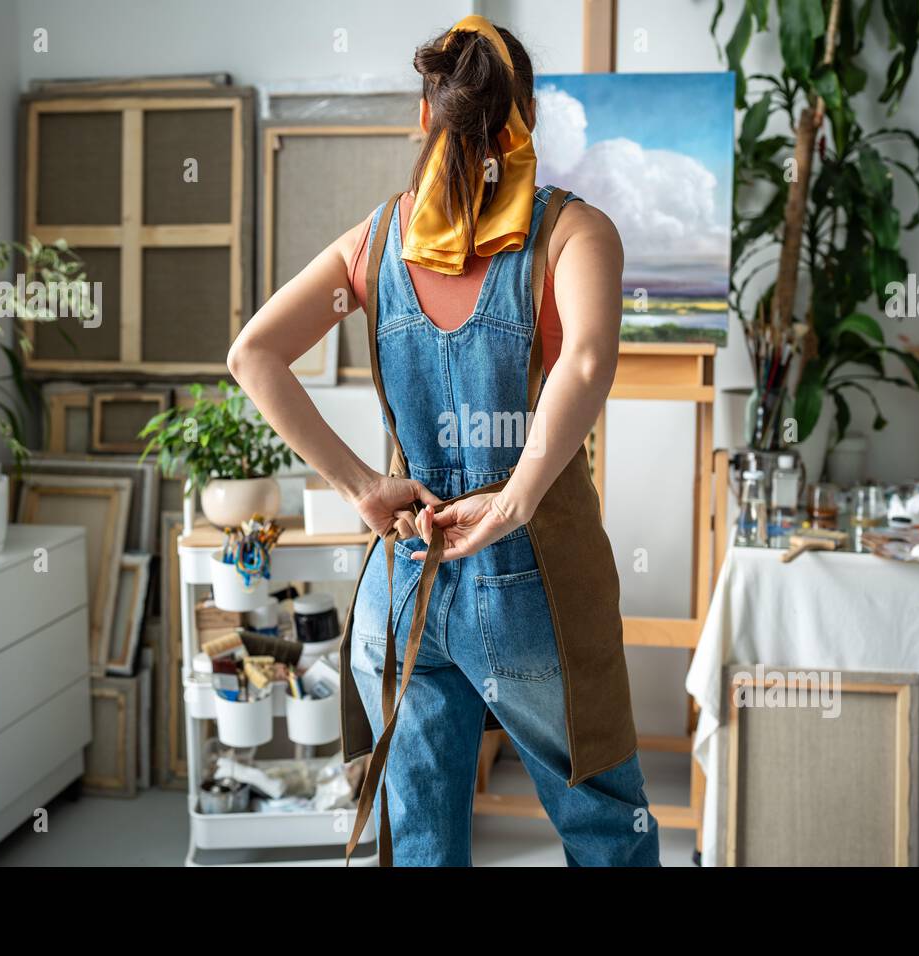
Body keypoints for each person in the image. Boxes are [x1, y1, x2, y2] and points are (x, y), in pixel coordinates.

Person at [228, 15, 660, 867]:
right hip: (535, 591)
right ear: (527, 115)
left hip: (407, 580)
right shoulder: (576, 234)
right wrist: (513, 501)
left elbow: (253, 354)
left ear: (425, 118)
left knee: (419, 839)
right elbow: (586, 361)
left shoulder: (373, 244)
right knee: (605, 826)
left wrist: (362, 487)